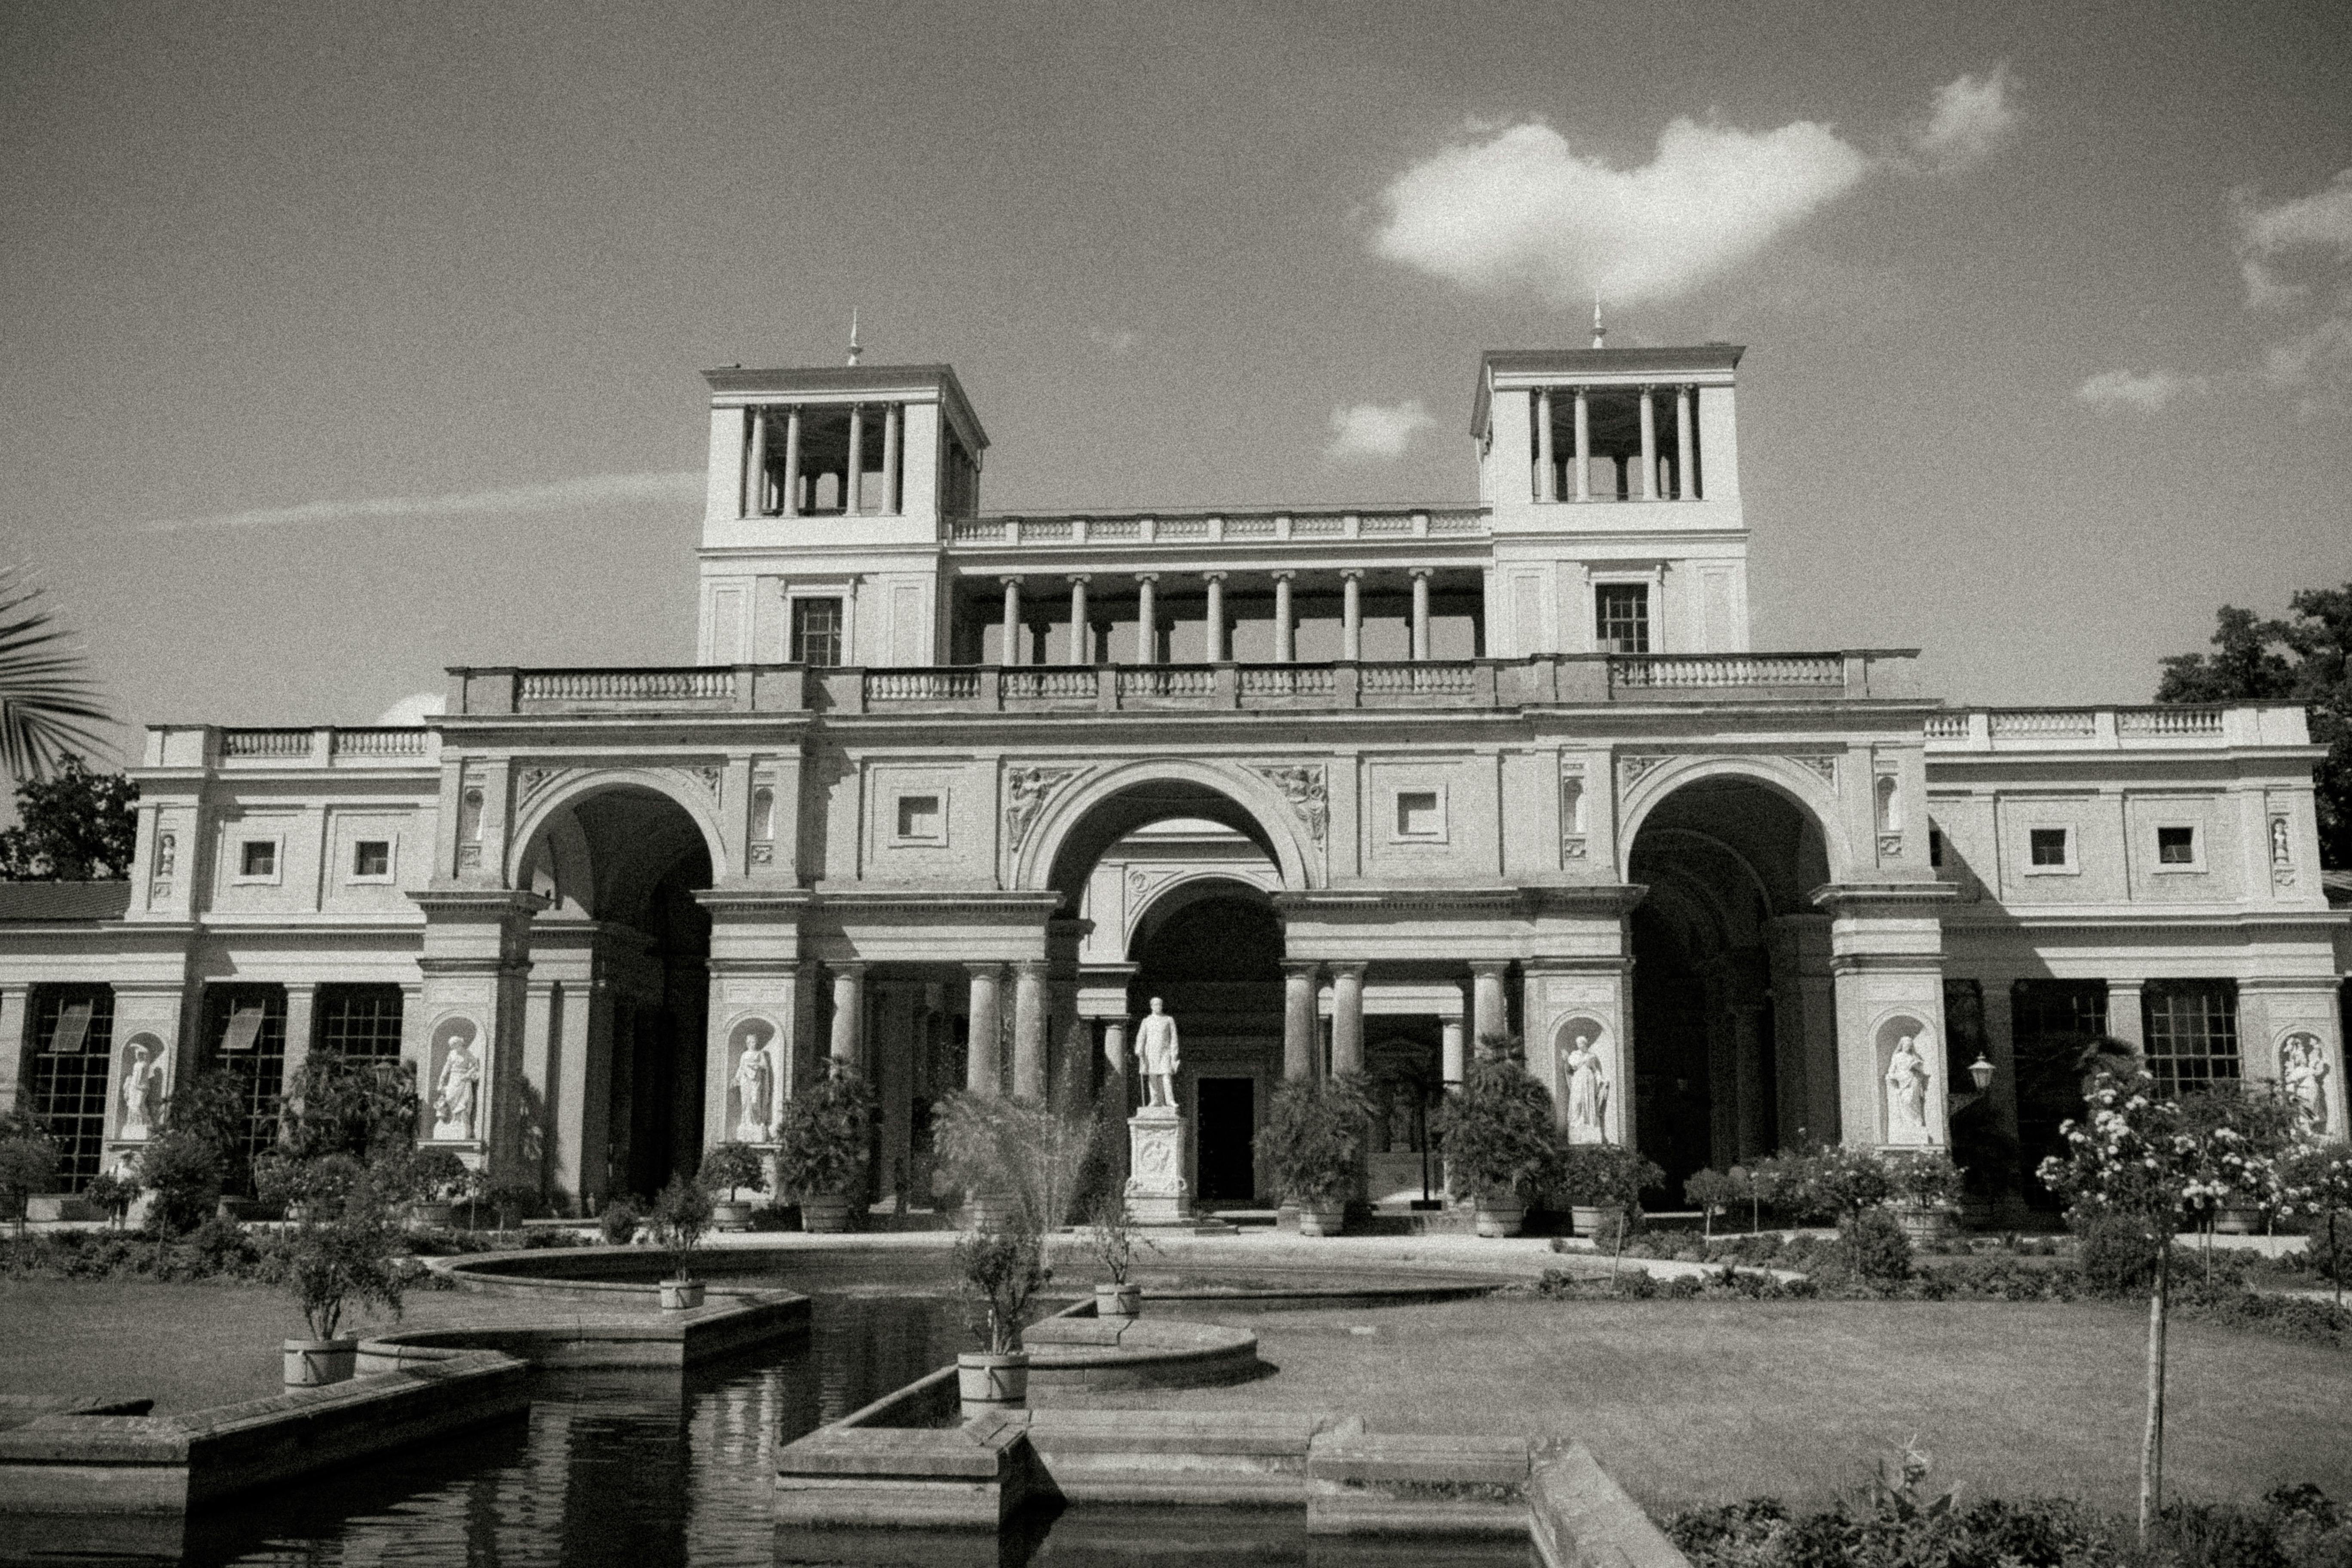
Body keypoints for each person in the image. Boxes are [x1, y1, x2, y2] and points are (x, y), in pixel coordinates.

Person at [434, 1028, 483, 1140]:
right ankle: (450, 1121)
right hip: (453, 1078)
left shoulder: (467, 1054)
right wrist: (441, 1081)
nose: (453, 1047)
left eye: (454, 1044)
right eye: (452, 1045)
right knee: (450, 1098)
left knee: (464, 1101)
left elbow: (476, 1065)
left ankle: (459, 1121)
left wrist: (468, 1074)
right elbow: (446, 1068)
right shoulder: (452, 1054)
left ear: (459, 1044)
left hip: (463, 1079)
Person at [1134, 996, 1180, 1109]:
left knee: (1166, 1076)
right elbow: (1141, 1036)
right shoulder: (1147, 1021)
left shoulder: (1169, 1020)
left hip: (1165, 1051)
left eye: (1160, 1005)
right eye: (1156, 1005)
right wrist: (1139, 1049)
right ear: (1152, 1007)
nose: (1158, 1007)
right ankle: (1155, 1100)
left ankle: (1170, 1101)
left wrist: (1174, 1053)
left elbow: (1174, 1037)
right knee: (1153, 1076)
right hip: (1151, 1052)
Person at [1564, 1029, 1609, 1142]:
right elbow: (1571, 1067)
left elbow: (1595, 1070)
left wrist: (1600, 1080)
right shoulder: (1574, 1055)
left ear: (1585, 1044)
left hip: (1589, 1080)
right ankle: (1576, 1124)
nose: (1579, 1045)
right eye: (1578, 1043)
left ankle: (1589, 1124)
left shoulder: (1591, 1056)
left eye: (1581, 1043)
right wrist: (1567, 1059)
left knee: (1588, 1102)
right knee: (1577, 1101)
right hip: (1578, 1079)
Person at [1884, 1034, 1930, 1144]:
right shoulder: (1897, 1057)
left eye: (1910, 1045)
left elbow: (1922, 1071)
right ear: (1902, 1045)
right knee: (1906, 1102)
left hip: (1914, 1080)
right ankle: (1907, 1124)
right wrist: (1892, 1076)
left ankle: (1917, 1123)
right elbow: (1891, 1071)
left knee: (1915, 1103)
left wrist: (1917, 1068)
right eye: (1906, 1045)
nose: (1908, 1047)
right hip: (1902, 1081)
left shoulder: (1914, 1057)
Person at [733, 1031, 775, 1141]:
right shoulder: (745, 1055)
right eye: (751, 1042)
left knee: (755, 1101)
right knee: (745, 1103)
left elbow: (765, 1066)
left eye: (755, 1042)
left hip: (756, 1080)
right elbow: (741, 1068)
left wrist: (755, 1065)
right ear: (748, 1043)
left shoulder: (760, 1053)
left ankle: (758, 1123)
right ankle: (747, 1123)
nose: (753, 1044)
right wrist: (736, 1078)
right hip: (745, 1081)